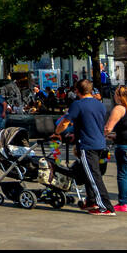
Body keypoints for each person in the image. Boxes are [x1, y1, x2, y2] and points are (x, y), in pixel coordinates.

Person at [51, 79, 113, 214]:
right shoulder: (100, 105)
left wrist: (56, 133)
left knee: (93, 176)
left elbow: (65, 123)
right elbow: (90, 122)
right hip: (100, 143)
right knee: (88, 173)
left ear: (77, 91)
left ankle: (105, 206)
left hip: (87, 144)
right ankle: (91, 201)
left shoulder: (77, 104)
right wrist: (76, 133)